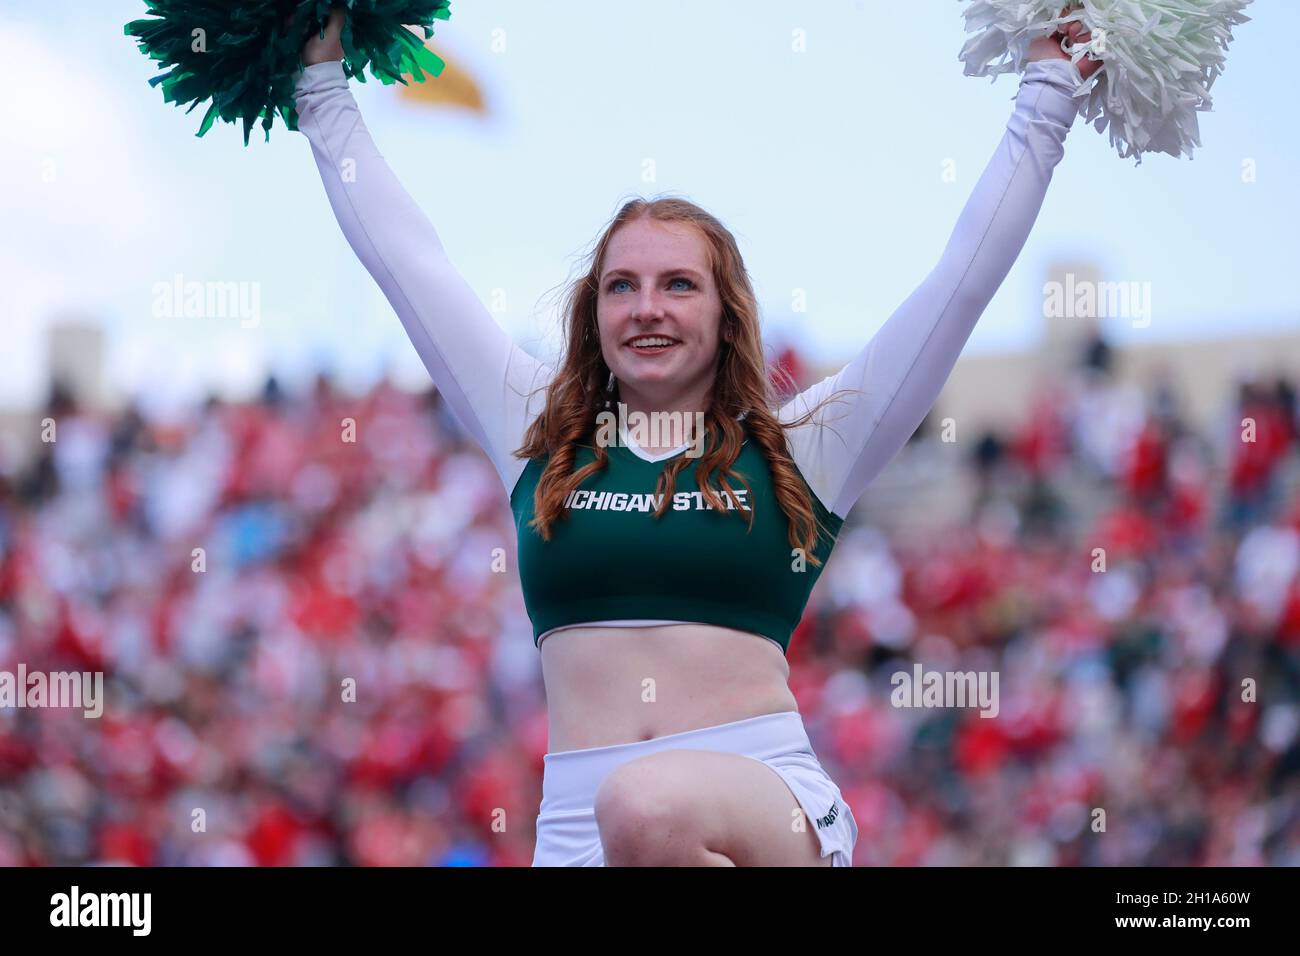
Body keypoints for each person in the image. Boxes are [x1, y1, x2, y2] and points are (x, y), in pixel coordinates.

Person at [293, 8, 1101, 866]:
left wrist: (1047, 89)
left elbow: (962, 280)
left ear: (725, 317)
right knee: (633, 813)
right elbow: (406, 258)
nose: (647, 307)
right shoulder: (536, 431)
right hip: (577, 838)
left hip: (766, 809)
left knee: (646, 806)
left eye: (679, 285)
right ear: (592, 312)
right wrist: (319, 80)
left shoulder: (807, 443)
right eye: (621, 286)